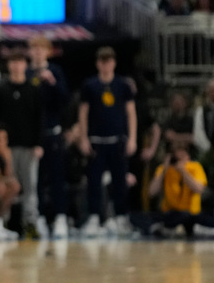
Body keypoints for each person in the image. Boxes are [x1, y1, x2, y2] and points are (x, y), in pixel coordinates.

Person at [77, 46, 136, 238]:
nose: (105, 64)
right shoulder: (90, 86)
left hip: (117, 140)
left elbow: (131, 113)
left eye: (109, 61)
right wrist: (84, 139)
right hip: (96, 141)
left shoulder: (122, 86)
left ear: (114, 63)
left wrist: (132, 138)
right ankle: (94, 217)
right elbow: (83, 114)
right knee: (94, 181)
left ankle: (121, 217)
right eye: (102, 61)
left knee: (120, 180)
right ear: (97, 64)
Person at [0, 49, 44, 237]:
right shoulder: (1, 89)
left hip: (29, 146)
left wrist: (39, 144)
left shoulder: (33, 89)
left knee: (30, 185)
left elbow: (39, 118)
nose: (16, 65)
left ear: (25, 64)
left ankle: (30, 222)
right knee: (7, 184)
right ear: (8, 65)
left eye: (20, 61)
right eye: (13, 61)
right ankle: (2, 222)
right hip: (7, 147)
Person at [27, 35, 71, 239]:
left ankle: (60, 217)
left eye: (40, 48)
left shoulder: (55, 71)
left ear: (47, 51)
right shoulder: (26, 73)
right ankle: (40, 218)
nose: (37, 52)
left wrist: (52, 83)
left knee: (56, 177)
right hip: (34, 137)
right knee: (36, 180)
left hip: (52, 133)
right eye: (33, 48)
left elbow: (64, 100)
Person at [144, 141, 214, 237]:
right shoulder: (164, 169)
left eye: (182, 156)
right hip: (172, 213)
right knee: (155, 218)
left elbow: (199, 189)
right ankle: (171, 228)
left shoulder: (195, 167)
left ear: (187, 156)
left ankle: (182, 228)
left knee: (202, 218)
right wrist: (164, 169)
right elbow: (151, 192)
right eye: (176, 157)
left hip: (192, 214)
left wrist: (183, 172)